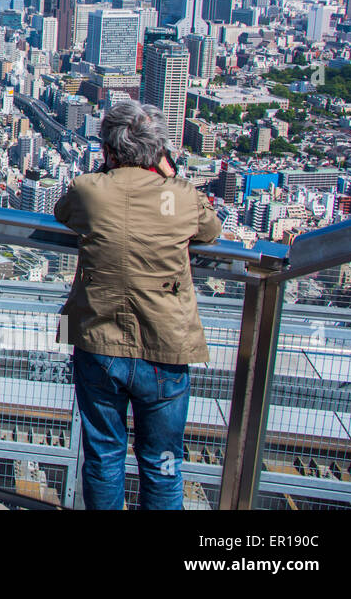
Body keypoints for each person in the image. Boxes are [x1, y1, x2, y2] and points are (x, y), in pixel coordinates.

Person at [54, 99, 222, 510]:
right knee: (163, 462)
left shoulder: (87, 190)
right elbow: (211, 231)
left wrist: (106, 171)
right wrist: (169, 172)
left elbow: (64, 212)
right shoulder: (181, 196)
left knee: (102, 456)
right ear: (159, 149)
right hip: (166, 348)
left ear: (107, 148)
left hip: (98, 343)